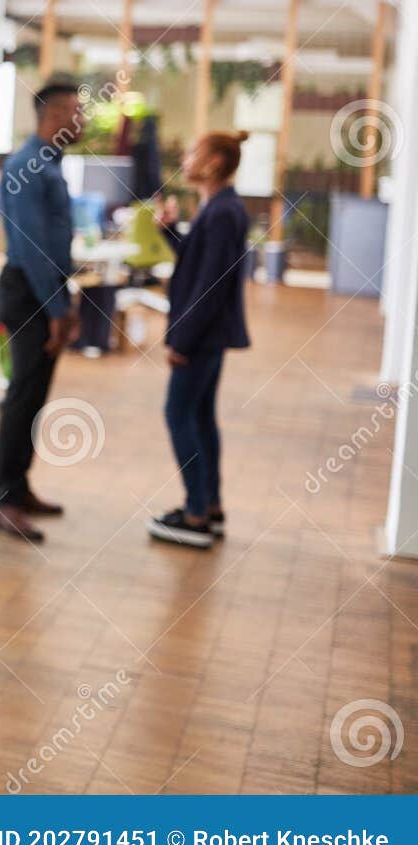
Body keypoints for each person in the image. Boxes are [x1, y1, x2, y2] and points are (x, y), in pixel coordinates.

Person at [0, 78, 85, 543]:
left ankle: (19, 486)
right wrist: (56, 309)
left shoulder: (48, 165)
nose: (81, 120)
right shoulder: (28, 166)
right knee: (21, 396)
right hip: (29, 293)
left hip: (45, 293)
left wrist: (64, 303)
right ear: (52, 115)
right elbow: (30, 248)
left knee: (34, 396)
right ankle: (4, 500)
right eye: (76, 111)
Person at [147, 131, 252, 549]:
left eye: (192, 152)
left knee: (178, 415)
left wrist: (182, 342)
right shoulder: (217, 207)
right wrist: (172, 232)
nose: (184, 157)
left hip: (202, 337)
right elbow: (199, 262)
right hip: (207, 335)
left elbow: (210, 286)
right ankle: (209, 506)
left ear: (212, 163)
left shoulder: (223, 211)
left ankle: (194, 513)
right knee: (201, 415)